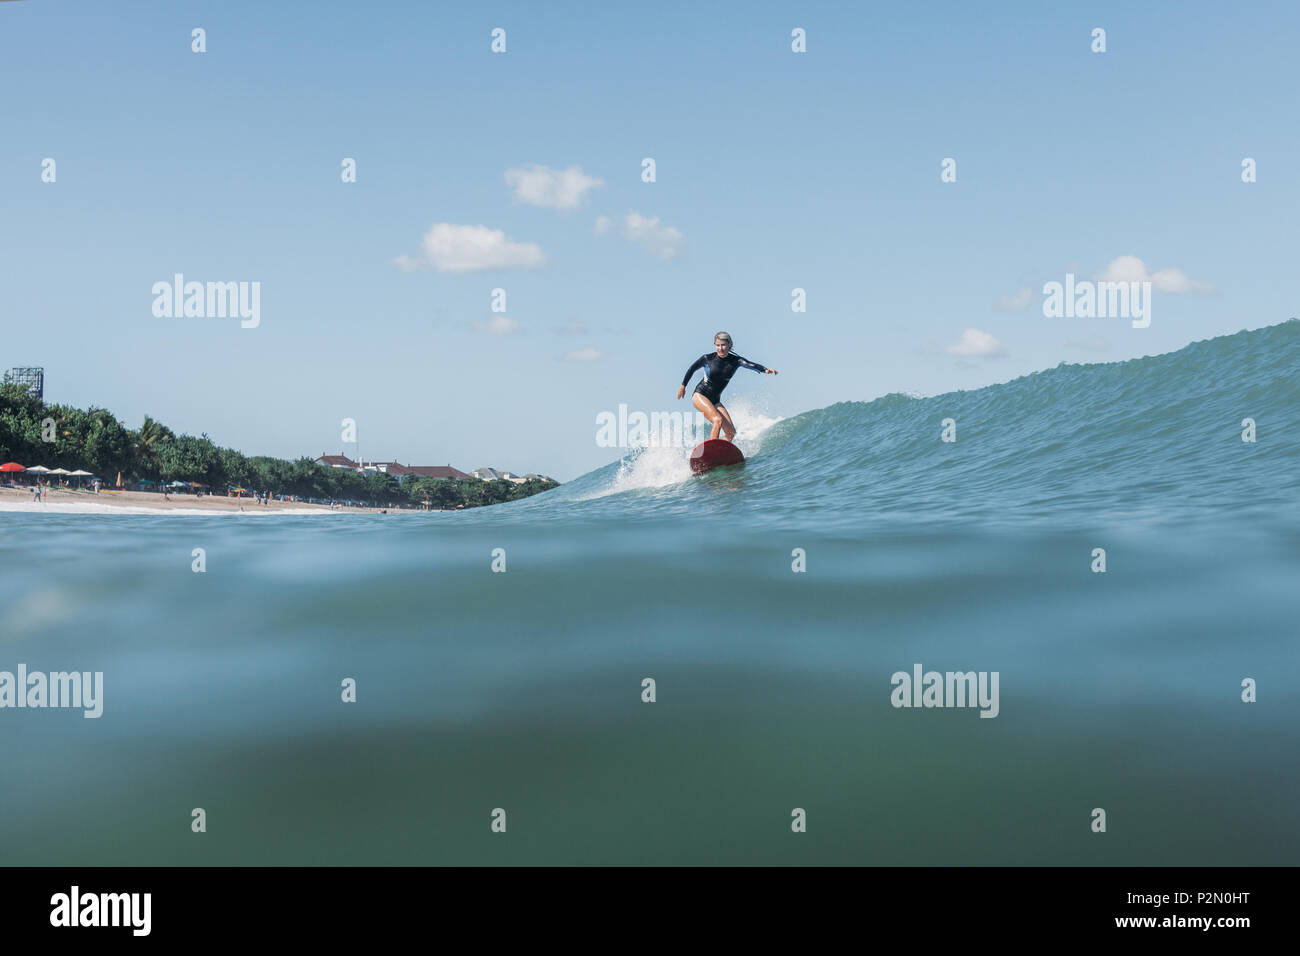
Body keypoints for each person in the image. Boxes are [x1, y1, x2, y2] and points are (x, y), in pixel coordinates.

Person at [676, 331, 778, 441]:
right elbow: (692, 369)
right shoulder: (707, 358)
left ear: (729, 345)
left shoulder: (736, 361)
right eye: (718, 345)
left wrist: (765, 370)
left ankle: (719, 452)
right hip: (700, 395)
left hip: (715, 400)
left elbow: (750, 365)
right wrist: (683, 386)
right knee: (717, 420)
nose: (721, 348)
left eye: (723, 345)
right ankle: (711, 451)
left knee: (731, 433)